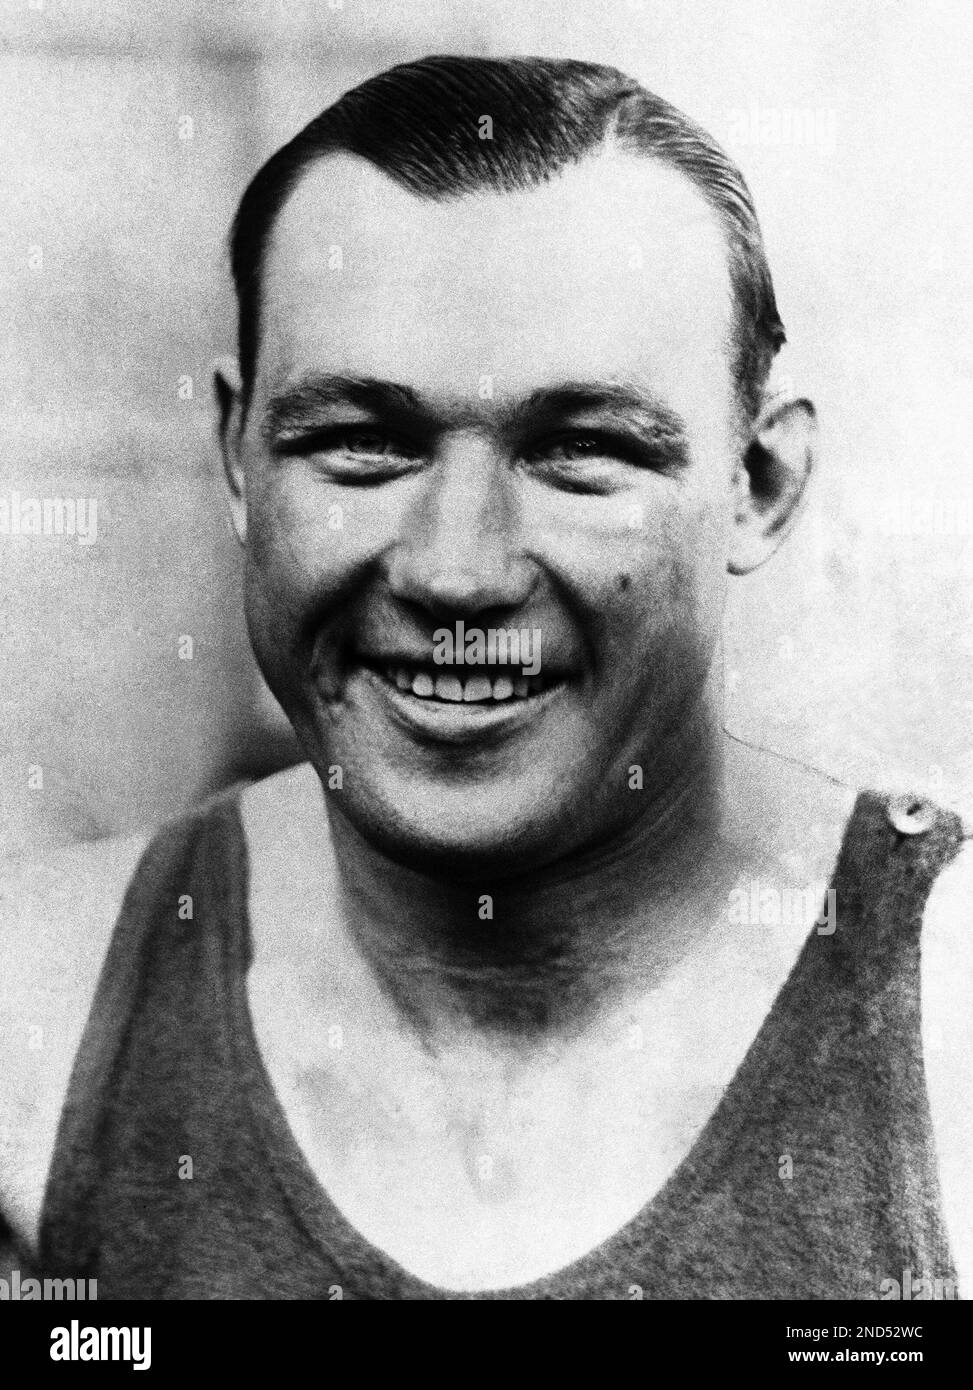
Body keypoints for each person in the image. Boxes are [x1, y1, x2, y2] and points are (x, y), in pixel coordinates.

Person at [2, 54, 971, 1301]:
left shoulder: (947, 1033)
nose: (456, 572)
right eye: (360, 445)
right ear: (240, 459)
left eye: (580, 453)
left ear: (760, 486)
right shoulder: (41, 1010)